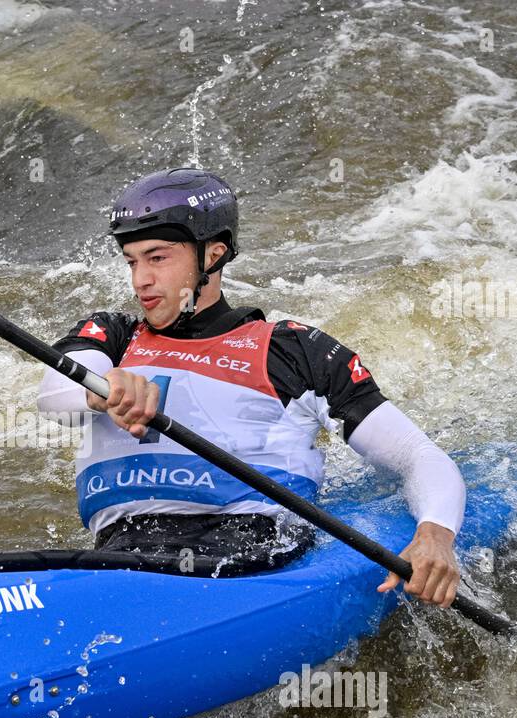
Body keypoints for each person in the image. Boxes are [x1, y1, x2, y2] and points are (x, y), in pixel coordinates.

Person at [37, 167, 465, 606]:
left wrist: (435, 533)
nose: (140, 279)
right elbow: (54, 397)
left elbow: (417, 455)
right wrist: (100, 388)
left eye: (158, 258)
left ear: (213, 255)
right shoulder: (113, 337)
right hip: (119, 556)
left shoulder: (293, 351)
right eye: (132, 261)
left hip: (251, 554)